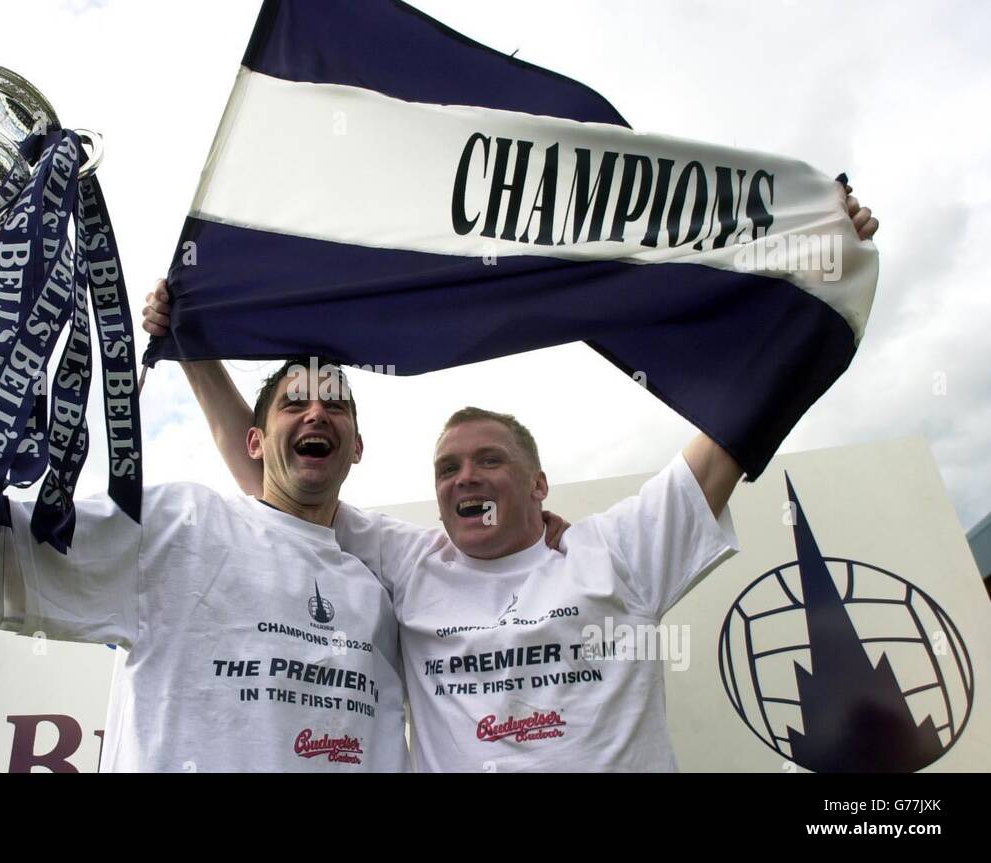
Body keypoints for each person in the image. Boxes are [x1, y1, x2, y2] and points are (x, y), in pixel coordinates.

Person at [143, 191, 879, 771]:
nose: (466, 476)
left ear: (539, 485)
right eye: (447, 468)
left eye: (489, 459)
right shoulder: (409, 564)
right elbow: (277, 480)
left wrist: (820, 265)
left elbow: (736, 431)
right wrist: (192, 347)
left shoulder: (617, 551)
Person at [0, 212, 411, 772]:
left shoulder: (385, 578)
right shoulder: (179, 526)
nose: (316, 411)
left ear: (357, 446)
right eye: (295, 404)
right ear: (255, 442)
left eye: (334, 405)